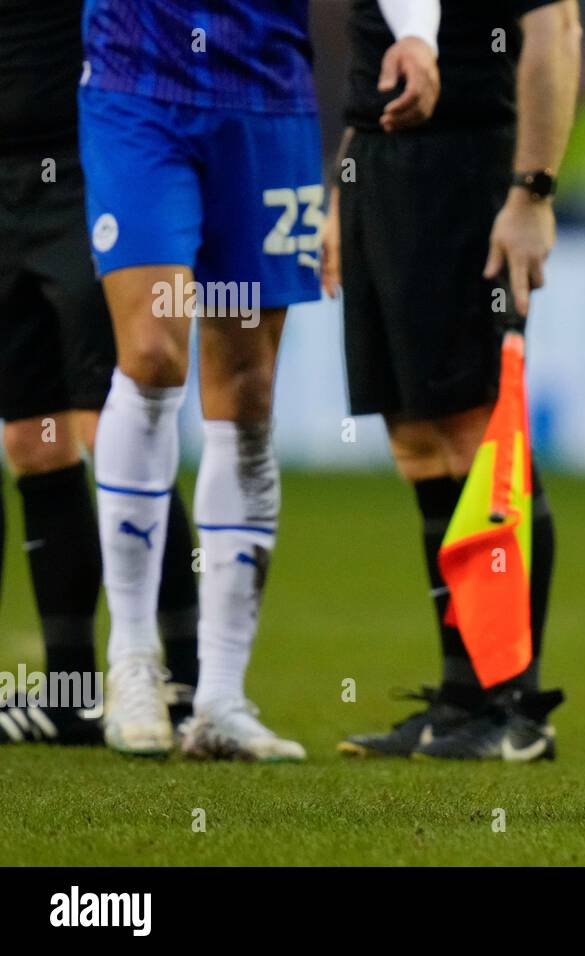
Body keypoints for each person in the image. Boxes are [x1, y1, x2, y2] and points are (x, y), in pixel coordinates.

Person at [324, 0, 580, 761]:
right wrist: (346, 183)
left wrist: (532, 191)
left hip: (472, 168)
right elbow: (377, 48)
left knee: (479, 435)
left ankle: (516, 702)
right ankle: (463, 697)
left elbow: (555, 32)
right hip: (378, 164)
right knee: (418, 440)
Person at [79, 0, 322, 759]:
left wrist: (414, 36)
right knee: (153, 353)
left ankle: (219, 697)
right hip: (137, 83)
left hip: (268, 95)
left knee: (247, 391)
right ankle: (132, 659)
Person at [0, 0, 199, 745]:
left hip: (92, 168)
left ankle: (183, 676)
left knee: (112, 422)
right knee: (32, 440)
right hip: (5, 188)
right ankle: (70, 691)